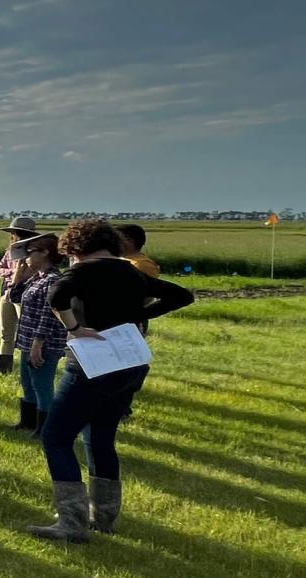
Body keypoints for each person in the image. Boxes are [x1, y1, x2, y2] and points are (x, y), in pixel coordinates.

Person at [27, 218, 193, 544]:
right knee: (100, 436)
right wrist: (136, 319)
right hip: (130, 362)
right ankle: (103, 516)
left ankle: (71, 522)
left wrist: (74, 328)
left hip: (92, 363)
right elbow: (181, 296)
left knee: (56, 437)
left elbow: (57, 296)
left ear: (75, 247)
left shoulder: (81, 271)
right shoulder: (131, 271)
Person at [6, 233, 66, 437]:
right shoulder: (35, 277)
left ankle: (45, 428)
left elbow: (48, 314)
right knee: (27, 382)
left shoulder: (53, 280)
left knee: (42, 384)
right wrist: (19, 278)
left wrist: (38, 344)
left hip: (43, 343)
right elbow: (14, 298)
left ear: (45, 253)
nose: (25, 257)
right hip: (27, 340)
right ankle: (28, 422)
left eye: (30, 252)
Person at [0, 217, 40, 377]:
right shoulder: (10, 250)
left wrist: (16, 275)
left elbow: (32, 274)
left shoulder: (34, 252)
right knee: (6, 334)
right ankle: (3, 372)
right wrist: (13, 273)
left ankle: (29, 370)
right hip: (7, 295)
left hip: (24, 296)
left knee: (28, 334)